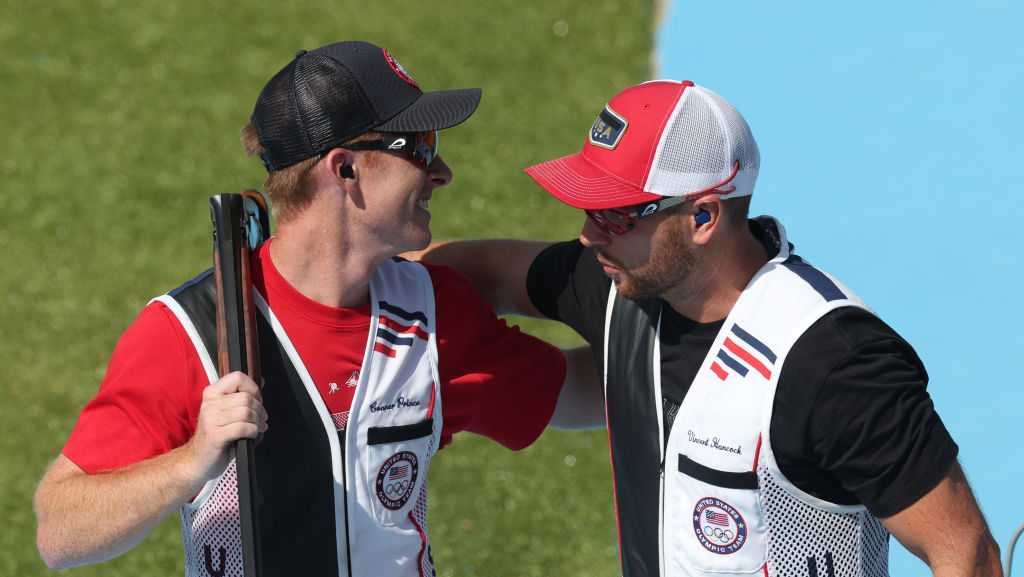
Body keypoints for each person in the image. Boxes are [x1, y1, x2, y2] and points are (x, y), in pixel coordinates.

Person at [33, 40, 592, 577]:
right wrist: (193, 459)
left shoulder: (433, 313)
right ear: (344, 169)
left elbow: (587, 393)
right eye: (420, 147)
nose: (442, 173)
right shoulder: (191, 334)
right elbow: (60, 532)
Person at [413, 80, 1002, 576]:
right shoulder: (621, 284)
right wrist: (360, 289)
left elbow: (966, 551)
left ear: (702, 216)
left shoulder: (834, 361)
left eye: (614, 215)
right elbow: (484, 271)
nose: (589, 235)